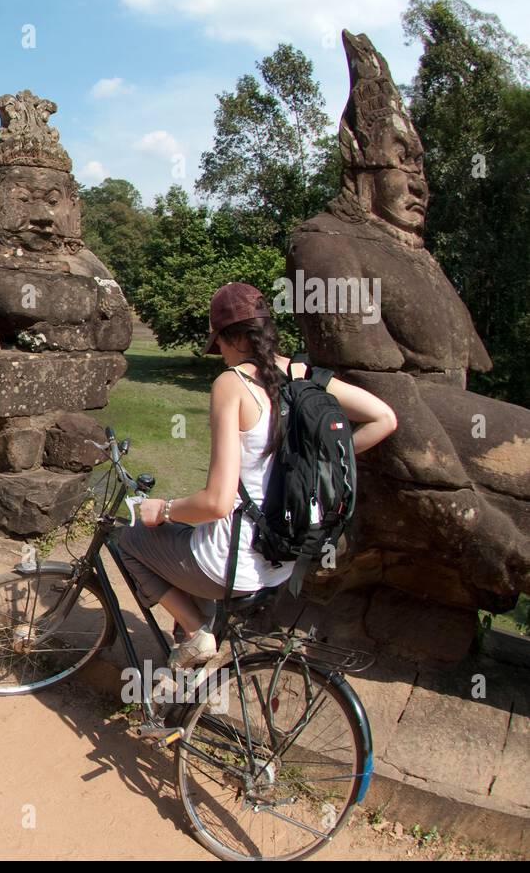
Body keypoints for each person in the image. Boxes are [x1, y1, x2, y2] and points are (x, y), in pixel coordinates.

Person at [118, 282, 398, 670]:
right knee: (184, 540)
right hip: (282, 561)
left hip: (232, 564)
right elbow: (385, 418)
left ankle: (199, 631)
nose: (220, 356)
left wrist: (163, 509)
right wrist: (319, 461)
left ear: (232, 338)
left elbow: (216, 503)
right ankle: (191, 673)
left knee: (130, 539)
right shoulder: (305, 374)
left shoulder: (232, 385)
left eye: (220, 345)